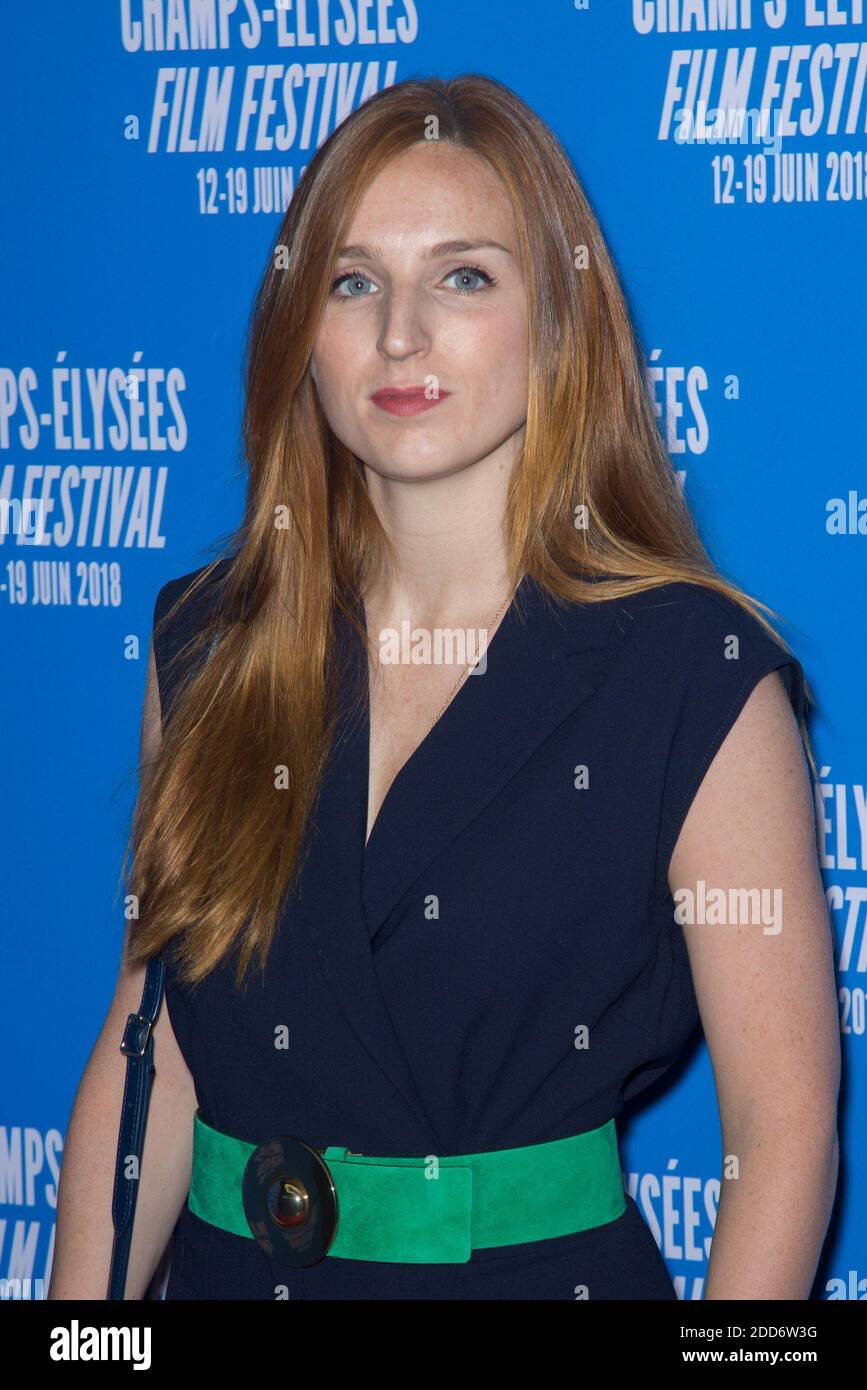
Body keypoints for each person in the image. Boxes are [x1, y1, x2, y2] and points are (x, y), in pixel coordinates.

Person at [49, 74, 839, 1302]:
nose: (399, 335)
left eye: (463, 277)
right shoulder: (208, 644)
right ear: (301, 329)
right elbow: (152, 1052)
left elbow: (784, 1141)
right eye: (352, 282)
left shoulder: (693, 673)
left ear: (559, 318)